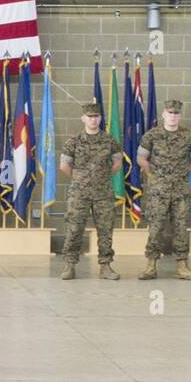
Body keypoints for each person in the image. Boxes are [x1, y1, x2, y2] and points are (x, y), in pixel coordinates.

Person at [137, 98, 191, 280]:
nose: (173, 116)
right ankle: (151, 266)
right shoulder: (151, 135)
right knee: (156, 227)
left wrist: (184, 171)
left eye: (176, 113)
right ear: (164, 114)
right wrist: (154, 175)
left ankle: (182, 266)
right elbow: (141, 158)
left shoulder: (188, 136)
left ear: (180, 115)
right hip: (158, 190)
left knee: (181, 227)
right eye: (170, 113)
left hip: (181, 189)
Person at [59, 100, 121, 281]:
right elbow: (64, 165)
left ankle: (105, 266)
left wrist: (102, 177)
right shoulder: (74, 142)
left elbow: (117, 163)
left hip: (103, 193)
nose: (93, 120)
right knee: (74, 228)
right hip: (79, 193)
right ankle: (70, 265)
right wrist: (80, 179)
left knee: (105, 229)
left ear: (100, 118)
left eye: (96, 117)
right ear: (83, 118)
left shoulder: (110, 140)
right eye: (90, 117)